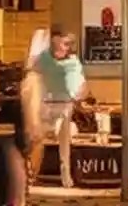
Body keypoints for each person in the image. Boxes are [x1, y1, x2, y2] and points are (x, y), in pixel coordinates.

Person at [28, 27, 86, 188]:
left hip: (64, 105)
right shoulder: (44, 59)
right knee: (37, 139)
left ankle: (65, 176)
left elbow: (79, 84)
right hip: (46, 104)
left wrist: (78, 93)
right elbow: (32, 70)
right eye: (60, 43)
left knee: (64, 143)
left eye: (66, 44)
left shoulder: (73, 62)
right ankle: (31, 173)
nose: (63, 47)